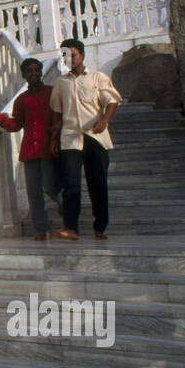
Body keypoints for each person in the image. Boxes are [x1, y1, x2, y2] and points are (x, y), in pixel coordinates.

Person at [0, 58, 61, 241]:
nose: (33, 73)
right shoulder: (22, 100)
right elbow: (15, 125)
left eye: (36, 70)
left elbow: (59, 118)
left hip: (49, 149)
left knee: (51, 187)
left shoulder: (51, 93)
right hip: (30, 151)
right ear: (24, 75)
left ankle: (67, 209)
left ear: (41, 72)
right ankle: (42, 230)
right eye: (29, 71)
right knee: (33, 192)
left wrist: (55, 139)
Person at [48, 38, 122, 241]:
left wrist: (105, 120)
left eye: (73, 54)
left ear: (82, 55)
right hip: (70, 138)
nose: (70, 59)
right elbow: (56, 112)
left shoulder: (98, 78)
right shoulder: (61, 83)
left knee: (97, 183)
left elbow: (112, 100)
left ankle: (100, 226)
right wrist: (54, 139)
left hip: (95, 137)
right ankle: (71, 227)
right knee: (71, 184)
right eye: (65, 56)